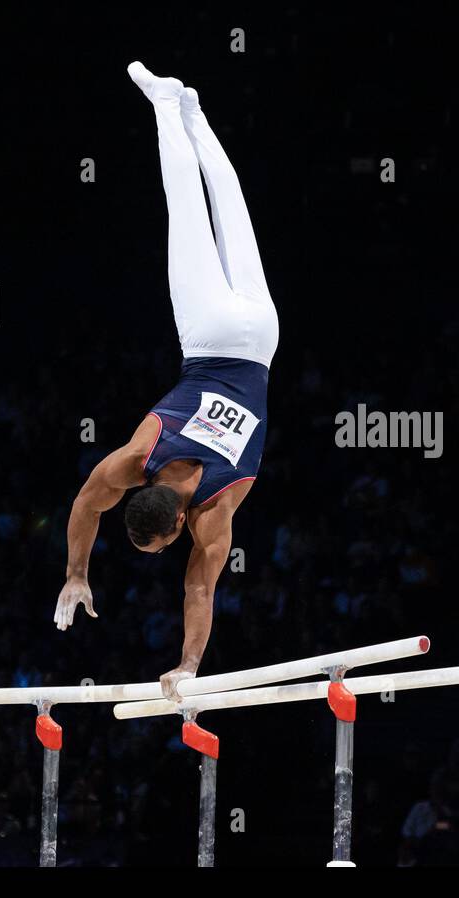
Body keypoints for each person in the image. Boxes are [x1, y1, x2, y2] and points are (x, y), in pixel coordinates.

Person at [53, 63, 279, 701]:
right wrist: (75, 574)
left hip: (262, 339)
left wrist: (188, 667)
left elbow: (199, 588)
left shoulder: (216, 509)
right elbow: (82, 506)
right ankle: (169, 106)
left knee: (231, 206)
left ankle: (192, 110)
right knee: (190, 207)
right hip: (209, 335)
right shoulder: (135, 457)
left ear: (177, 526)